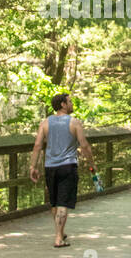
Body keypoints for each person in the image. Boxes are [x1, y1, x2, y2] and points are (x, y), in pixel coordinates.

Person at [29, 92, 96, 248]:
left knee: (55, 202)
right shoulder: (74, 123)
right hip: (68, 166)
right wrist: (92, 163)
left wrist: (33, 166)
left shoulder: (45, 123)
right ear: (63, 105)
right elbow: (84, 145)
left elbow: (38, 145)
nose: (72, 104)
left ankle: (60, 232)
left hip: (50, 167)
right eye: (70, 101)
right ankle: (58, 238)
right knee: (63, 202)